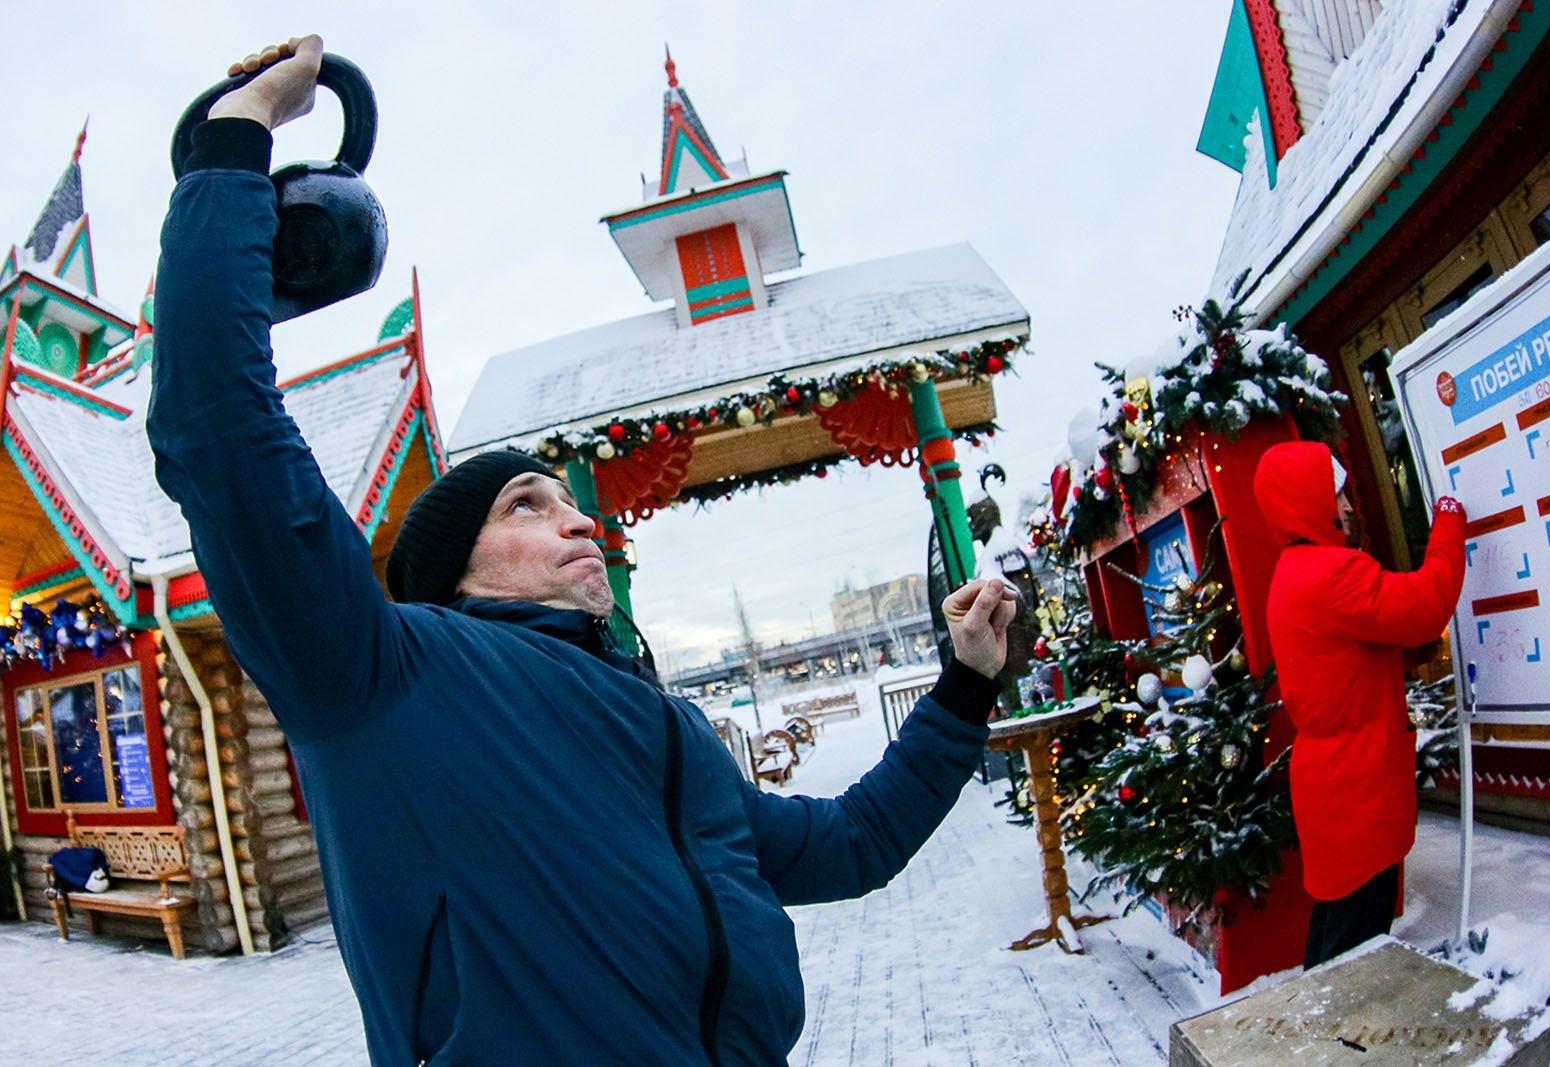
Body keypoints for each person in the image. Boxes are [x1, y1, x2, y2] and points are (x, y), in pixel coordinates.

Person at [148, 35, 1017, 1066]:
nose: (578, 519)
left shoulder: (666, 731)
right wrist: (234, 140)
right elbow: (219, 431)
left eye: (574, 501)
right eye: (528, 502)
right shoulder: (384, 676)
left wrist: (964, 689)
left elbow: (848, 845)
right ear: (457, 569)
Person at [1254, 441, 1466, 970]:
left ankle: (1316, 1033)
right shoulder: (1331, 573)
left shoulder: (1294, 573)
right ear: (1310, 501)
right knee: (1356, 952)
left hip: (1333, 786)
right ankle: (1339, 1047)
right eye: (1338, 493)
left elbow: (1355, 652)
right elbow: (1424, 606)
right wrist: (1448, 525)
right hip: (1357, 788)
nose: (1349, 505)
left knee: (1335, 930)